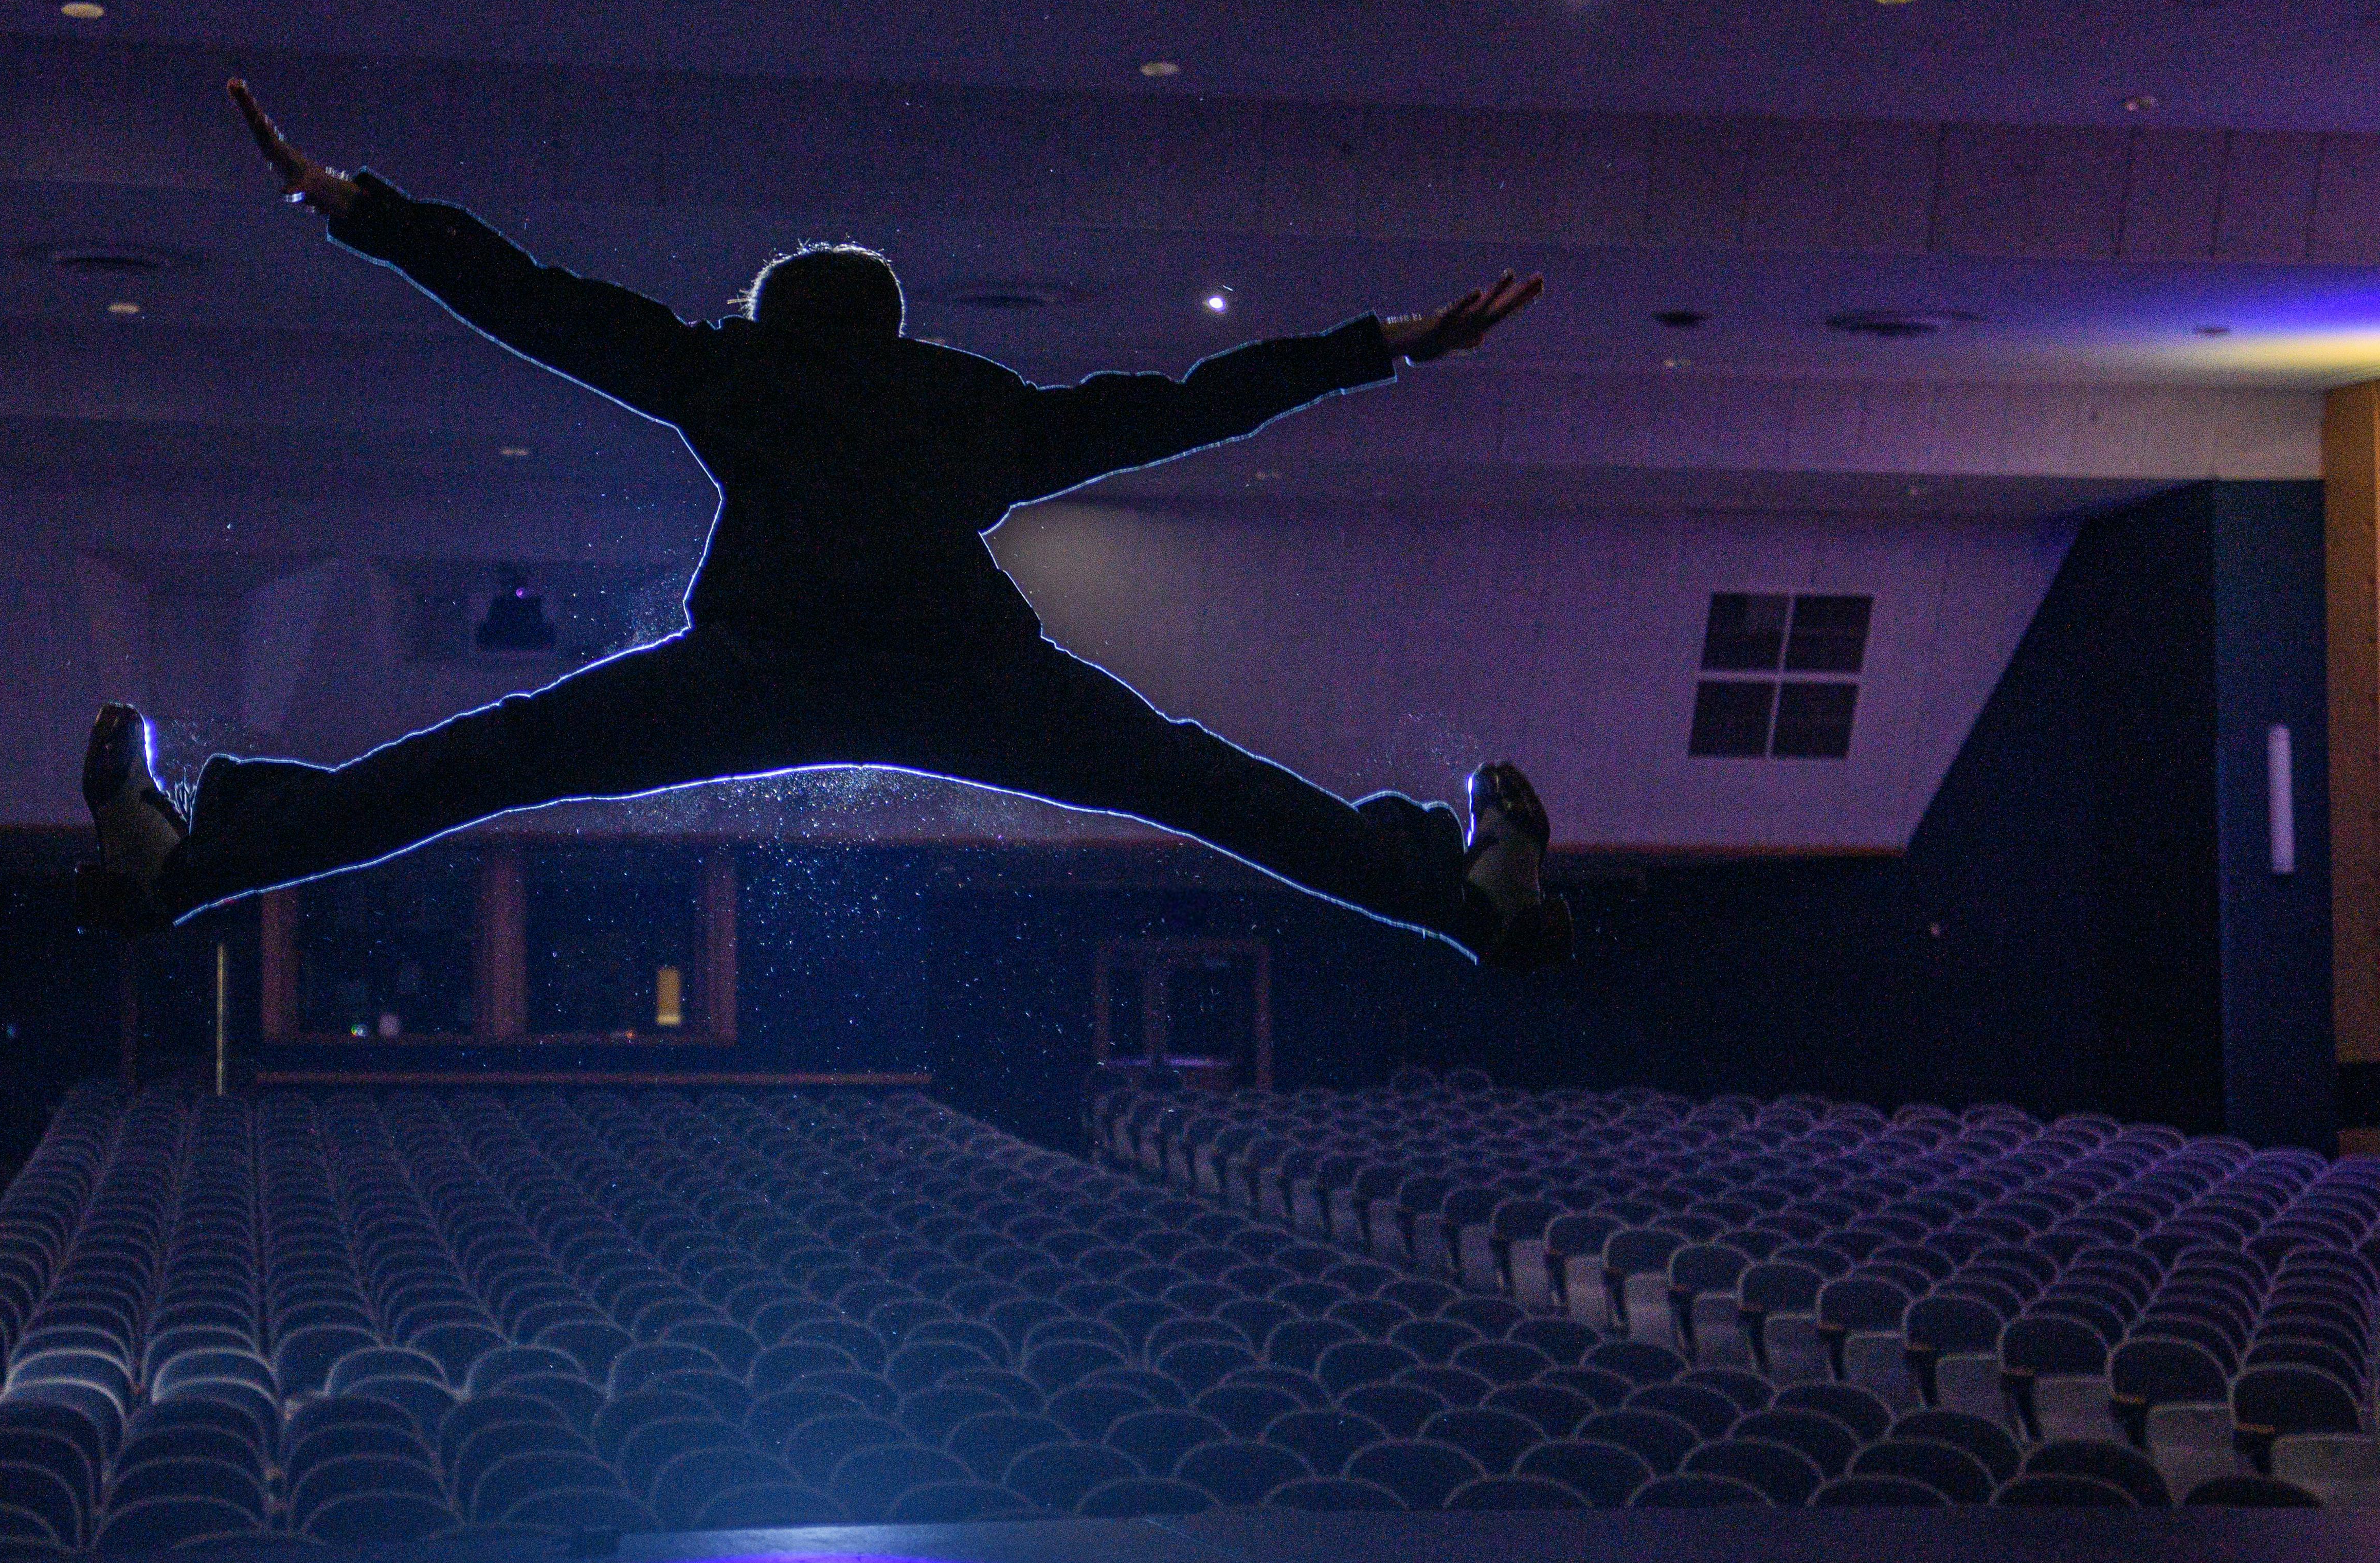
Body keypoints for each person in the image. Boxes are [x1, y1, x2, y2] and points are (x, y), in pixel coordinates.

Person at [76, 79, 1566, 968]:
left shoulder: (737, 374)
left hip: (758, 671)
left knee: (488, 763)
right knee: (1209, 789)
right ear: (895, 324)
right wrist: (1386, 343)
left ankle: (191, 865)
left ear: (775, 317)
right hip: (970, 681)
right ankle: (1457, 898)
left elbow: (532, 303)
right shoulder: (974, 402)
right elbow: (1193, 400)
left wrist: (359, 206)